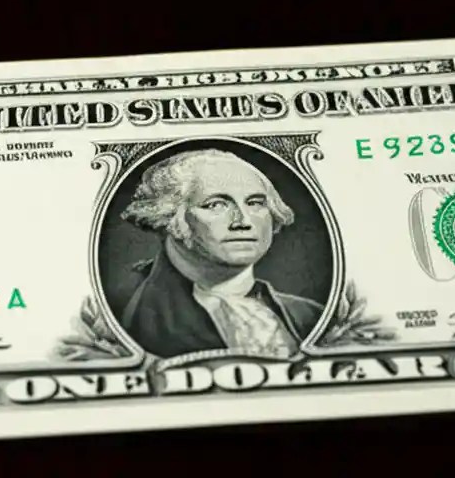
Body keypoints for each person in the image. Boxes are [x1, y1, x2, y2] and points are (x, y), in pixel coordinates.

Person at [117, 148, 323, 359]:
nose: (243, 221)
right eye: (216, 205)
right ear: (169, 216)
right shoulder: (125, 316)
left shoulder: (311, 315)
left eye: (255, 203)